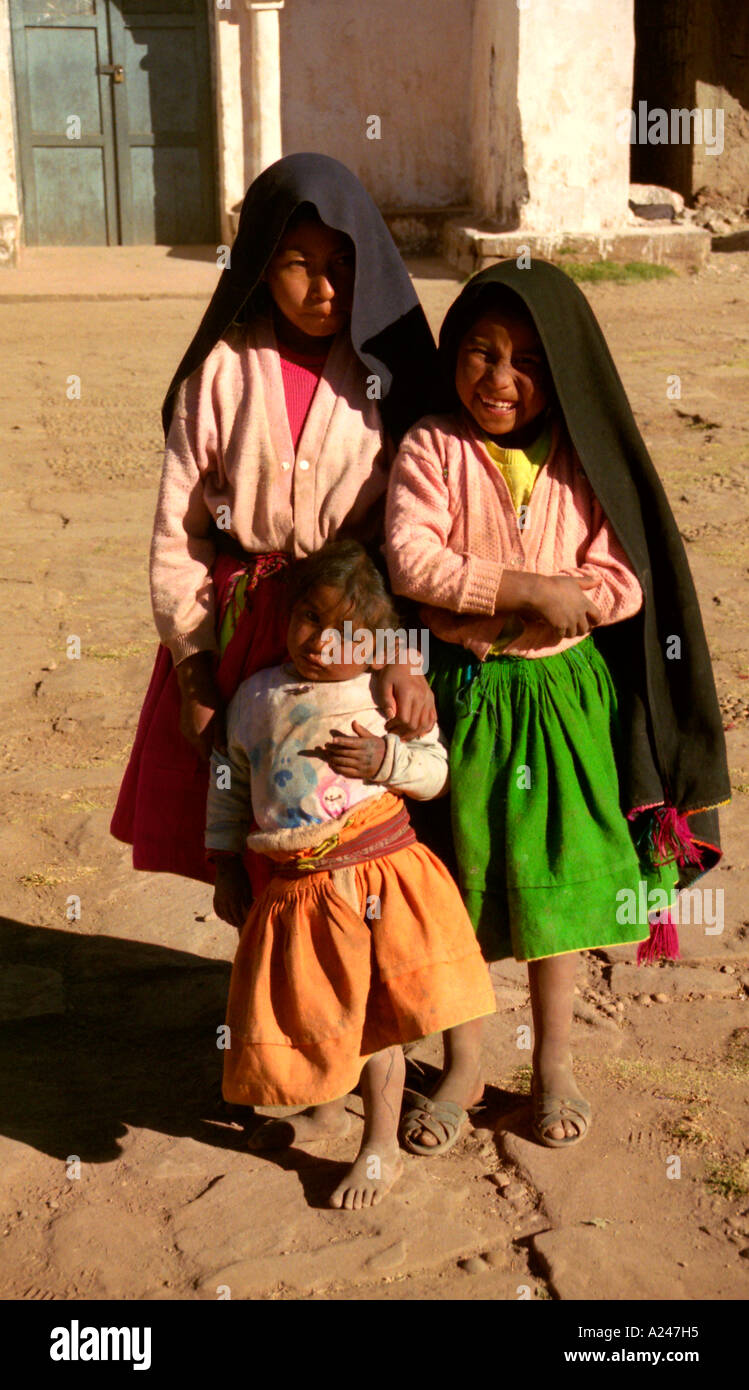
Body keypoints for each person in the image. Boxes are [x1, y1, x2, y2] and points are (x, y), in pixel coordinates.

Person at [385, 258, 729, 1149]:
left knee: (559, 884)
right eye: (482, 352)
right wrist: (529, 591)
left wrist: (556, 597)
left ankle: (554, 1064)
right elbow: (410, 562)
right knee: (466, 879)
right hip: (467, 702)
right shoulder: (431, 447)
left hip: (567, 703)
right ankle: (463, 1065)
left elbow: (623, 577)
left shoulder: (584, 458)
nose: (500, 380)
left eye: (529, 361)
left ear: (565, 372)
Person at [111, 153, 438, 886]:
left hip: (353, 629)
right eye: (298, 263)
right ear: (259, 264)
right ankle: (266, 978)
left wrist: (397, 655)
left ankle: (340, 979)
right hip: (243, 626)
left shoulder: (391, 373)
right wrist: (195, 667)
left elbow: (412, 529)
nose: (324, 287)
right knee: (250, 819)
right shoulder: (222, 371)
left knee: (347, 816)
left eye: (342, 262)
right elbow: (179, 531)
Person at [205, 541, 496, 1209]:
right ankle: (327, 1110)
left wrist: (385, 758)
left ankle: (380, 1148)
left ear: (379, 643)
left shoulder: (380, 694)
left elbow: (433, 774)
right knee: (317, 1009)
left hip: (375, 879)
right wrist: (224, 864)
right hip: (296, 888)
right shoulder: (256, 695)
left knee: (374, 1022)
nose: (322, 641)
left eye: (347, 631)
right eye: (309, 617)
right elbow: (228, 782)